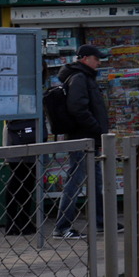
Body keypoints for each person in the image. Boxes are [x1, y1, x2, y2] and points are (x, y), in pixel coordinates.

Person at [54, 44, 120, 239]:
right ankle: (62, 226)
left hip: (89, 139)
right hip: (82, 140)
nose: (99, 62)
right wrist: (96, 128)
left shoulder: (83, 77)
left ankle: (101, 222)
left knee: (96, 182)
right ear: (85, 59)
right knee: (75, 181)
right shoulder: (80, 78)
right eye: (96, 58)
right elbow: (78, 108)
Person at [4, 117, 38, 236]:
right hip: (18, 132)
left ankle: (24, 220)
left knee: (28, 181)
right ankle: (13, 221)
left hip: (28, 130)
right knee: (17, 179)